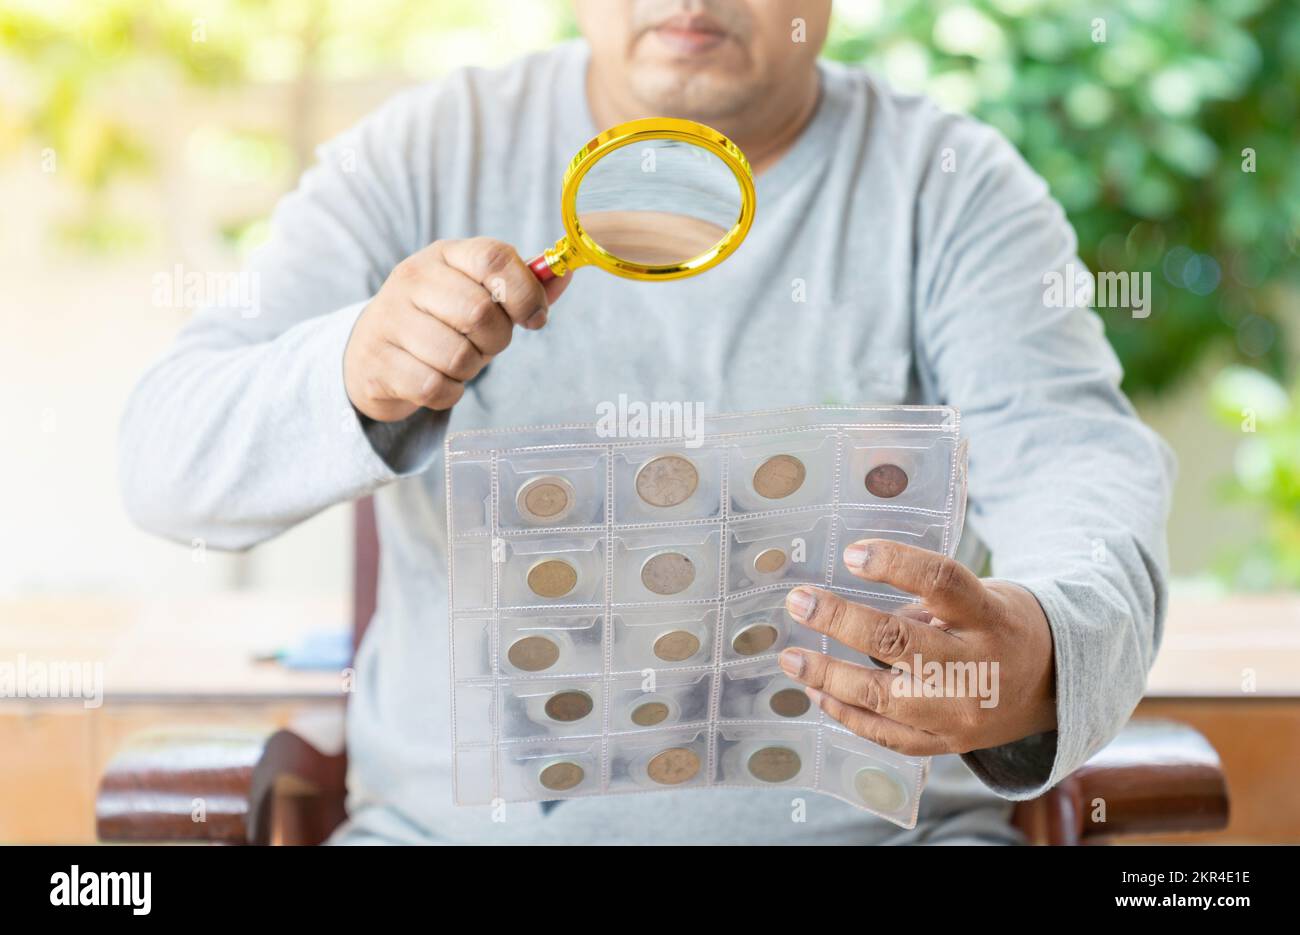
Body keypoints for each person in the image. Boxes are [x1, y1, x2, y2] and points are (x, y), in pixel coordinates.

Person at [119, 0, 1174, 844]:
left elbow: (1076, 463)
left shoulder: (952, 187)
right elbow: (165, 461)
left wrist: (1041, 650)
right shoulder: (421, 154)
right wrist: (350, 367)